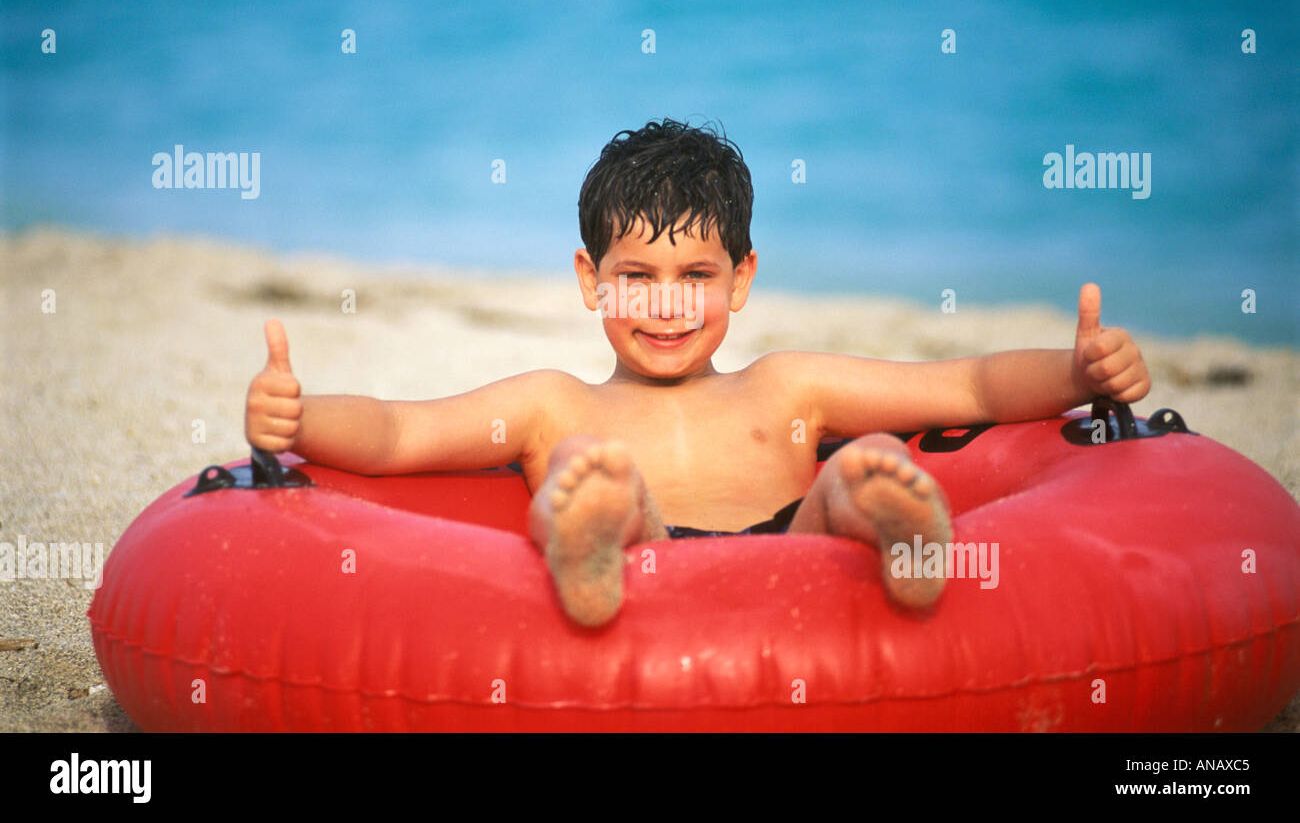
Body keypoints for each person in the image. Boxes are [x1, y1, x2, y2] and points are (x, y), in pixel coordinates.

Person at [244, 118, 1150, 627]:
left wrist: (1077, 371)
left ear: (743, 279)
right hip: (647, 554)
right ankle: (599, 533)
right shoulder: (551, 406)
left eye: (697, 278)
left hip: (793, 556)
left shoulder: (787, 387)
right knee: (592, 476)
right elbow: (401, 433)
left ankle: (896, 527)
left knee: (852, 472)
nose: (667, 306)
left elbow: (973, 389)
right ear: (590, 282)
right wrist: (302, 417)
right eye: (636, 278)